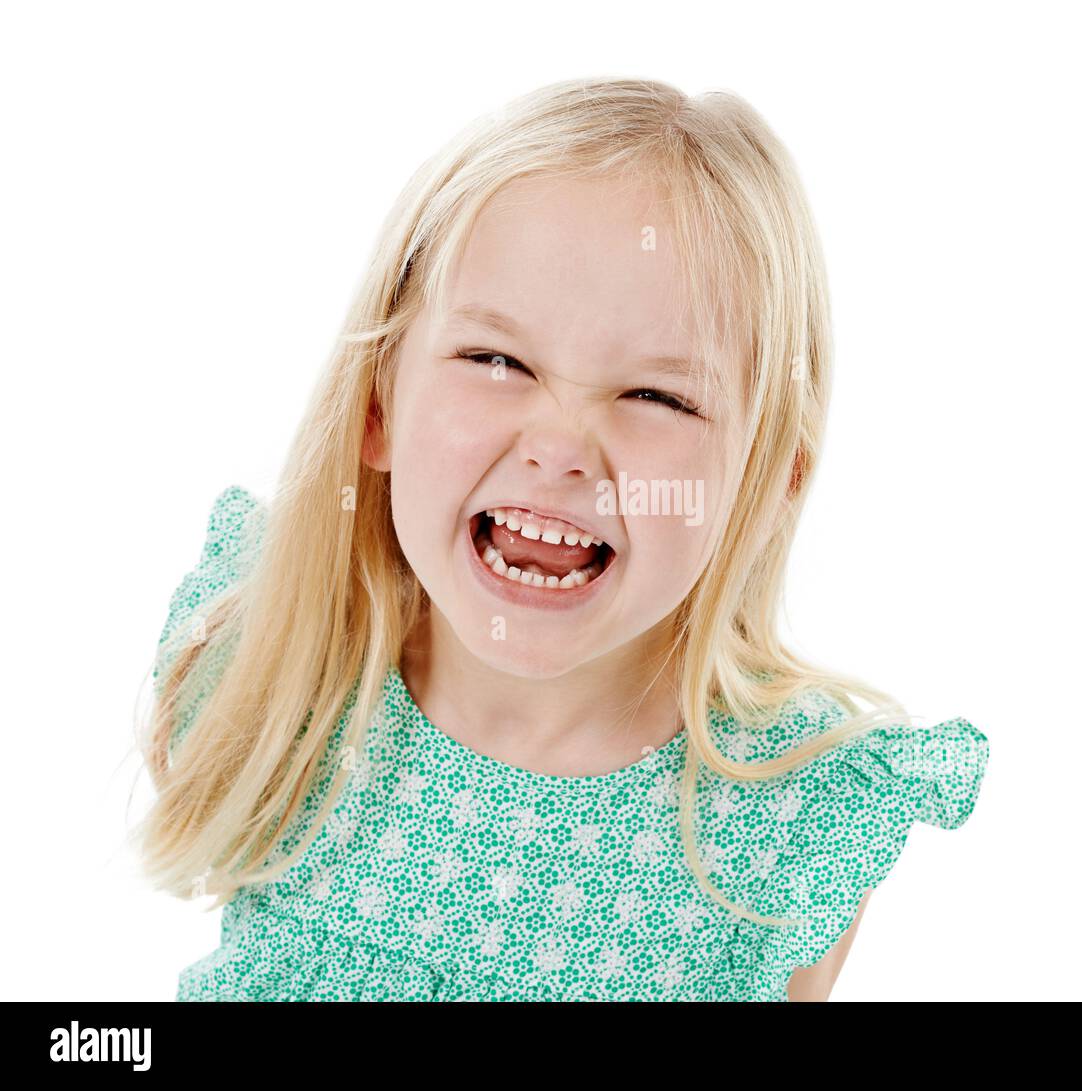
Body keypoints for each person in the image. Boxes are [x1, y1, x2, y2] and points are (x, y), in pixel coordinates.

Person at [133, 76, 990, 1002]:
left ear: (766, 482)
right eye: (497, 360)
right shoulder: (262, 668)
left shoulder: (792, 823)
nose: (559, 447)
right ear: (379, 401)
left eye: (658, 396)